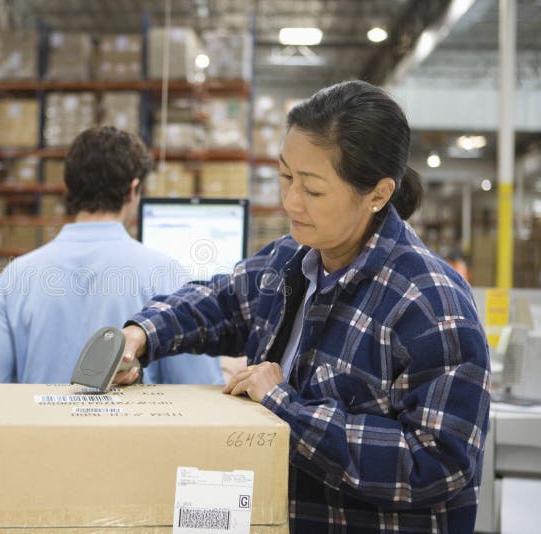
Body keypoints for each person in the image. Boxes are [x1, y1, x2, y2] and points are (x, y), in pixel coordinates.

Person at [117, 80, 490, 533]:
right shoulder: (292, 259)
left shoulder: (430, 304)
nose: (290, 201)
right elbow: (222, 302)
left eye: (312, 189)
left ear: (377, 193)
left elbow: (435, 463)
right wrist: (141, 334)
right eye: (286, 177)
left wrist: (284, 405)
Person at [0, 126, 223, 385]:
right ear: (133, 190)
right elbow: (199, 387)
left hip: (41, 424)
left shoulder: (13, 277)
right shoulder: (169, 276)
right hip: (134, 426)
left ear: (68, 187)